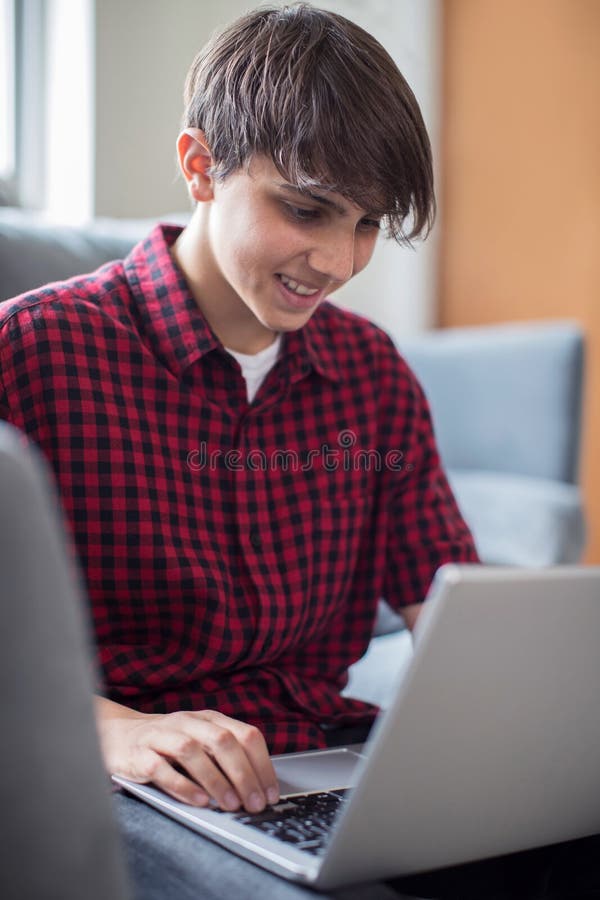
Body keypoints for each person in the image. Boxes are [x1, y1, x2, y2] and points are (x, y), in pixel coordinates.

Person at [0, 5, 597, 899]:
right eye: (307, 208)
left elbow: (453, 619)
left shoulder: (372, 375)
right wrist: (110, 729)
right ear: (201, 167)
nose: (337, 259)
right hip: (135, 779)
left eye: (367, 223)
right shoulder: (33, 352)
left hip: (328, 758)